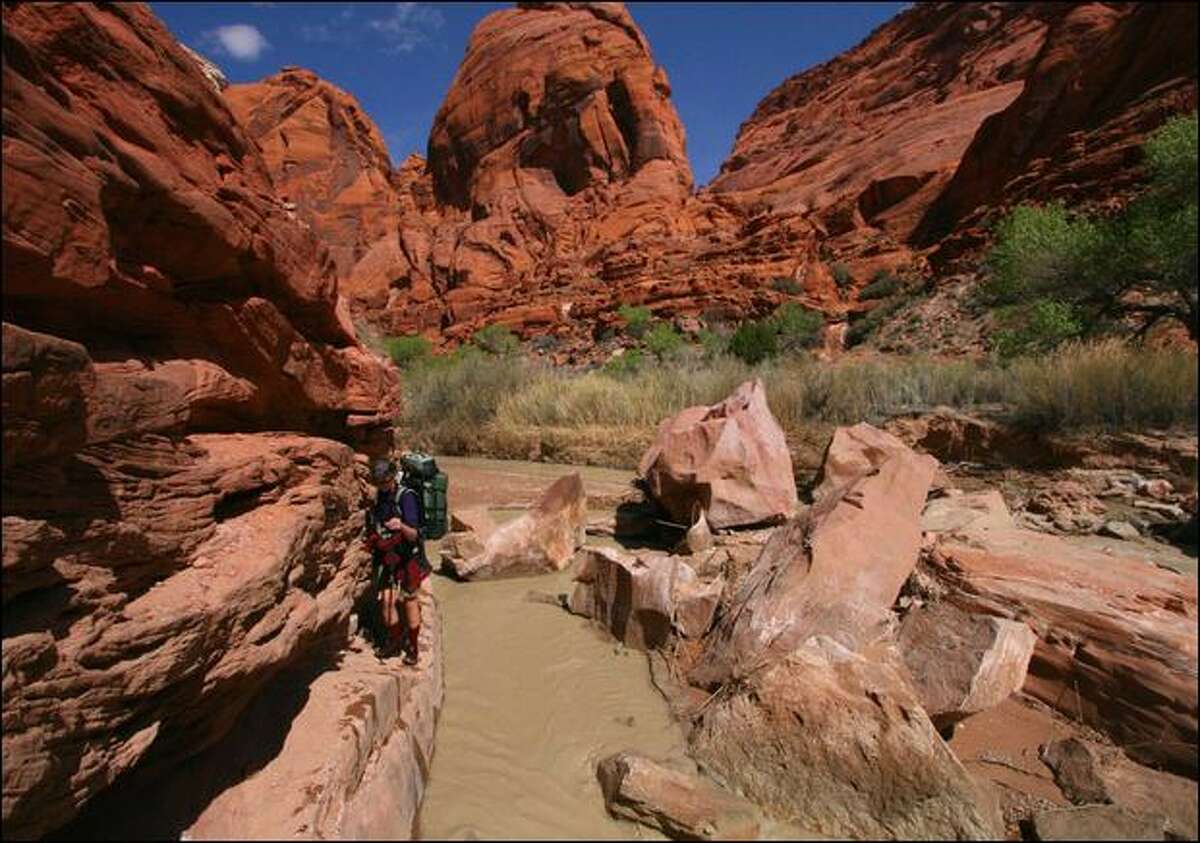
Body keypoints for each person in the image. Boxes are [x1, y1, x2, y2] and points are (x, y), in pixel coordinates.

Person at [366, 457, 429, 665]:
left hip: (409, 556)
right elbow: (376, 526)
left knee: (410, 600)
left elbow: (414, 534)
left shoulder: (407, 497)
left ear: (393, 477)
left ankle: (413, 647)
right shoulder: (379, 498)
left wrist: (400, 525)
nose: (382, 485)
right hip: (389, 557)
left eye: (385, 481)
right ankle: (395, 639)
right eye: (379, 482)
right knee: (386, 601)